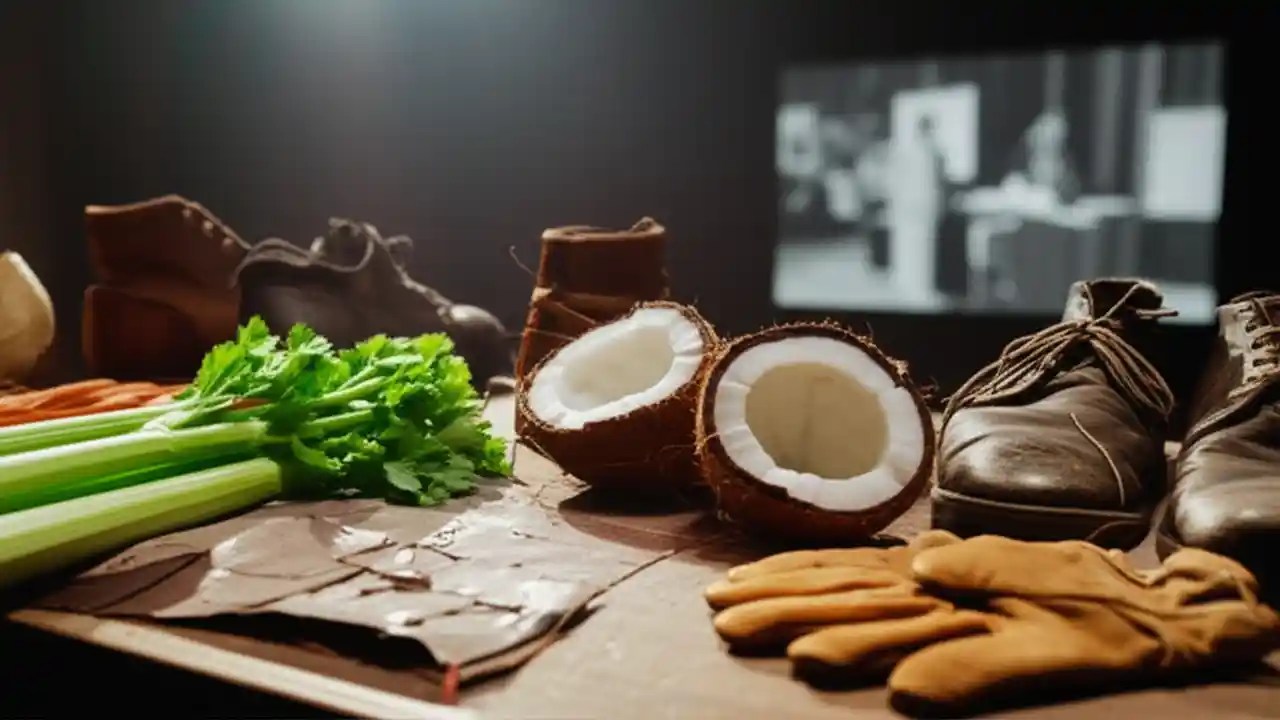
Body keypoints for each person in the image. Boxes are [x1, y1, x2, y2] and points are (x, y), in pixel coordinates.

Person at [886, 114, 947, 304]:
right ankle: (915, 289)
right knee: (916, 247)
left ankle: (916, 287)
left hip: (918, 205)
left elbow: (937, 183)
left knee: (919, 248)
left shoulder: (925, 152)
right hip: (917, 205)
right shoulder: (929, 152)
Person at [1004, 110, 1082, 205]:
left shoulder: (1070, 197)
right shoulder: (1015, 188)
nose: (1052, 164)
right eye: (1045, 151)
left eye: (1058, 153)